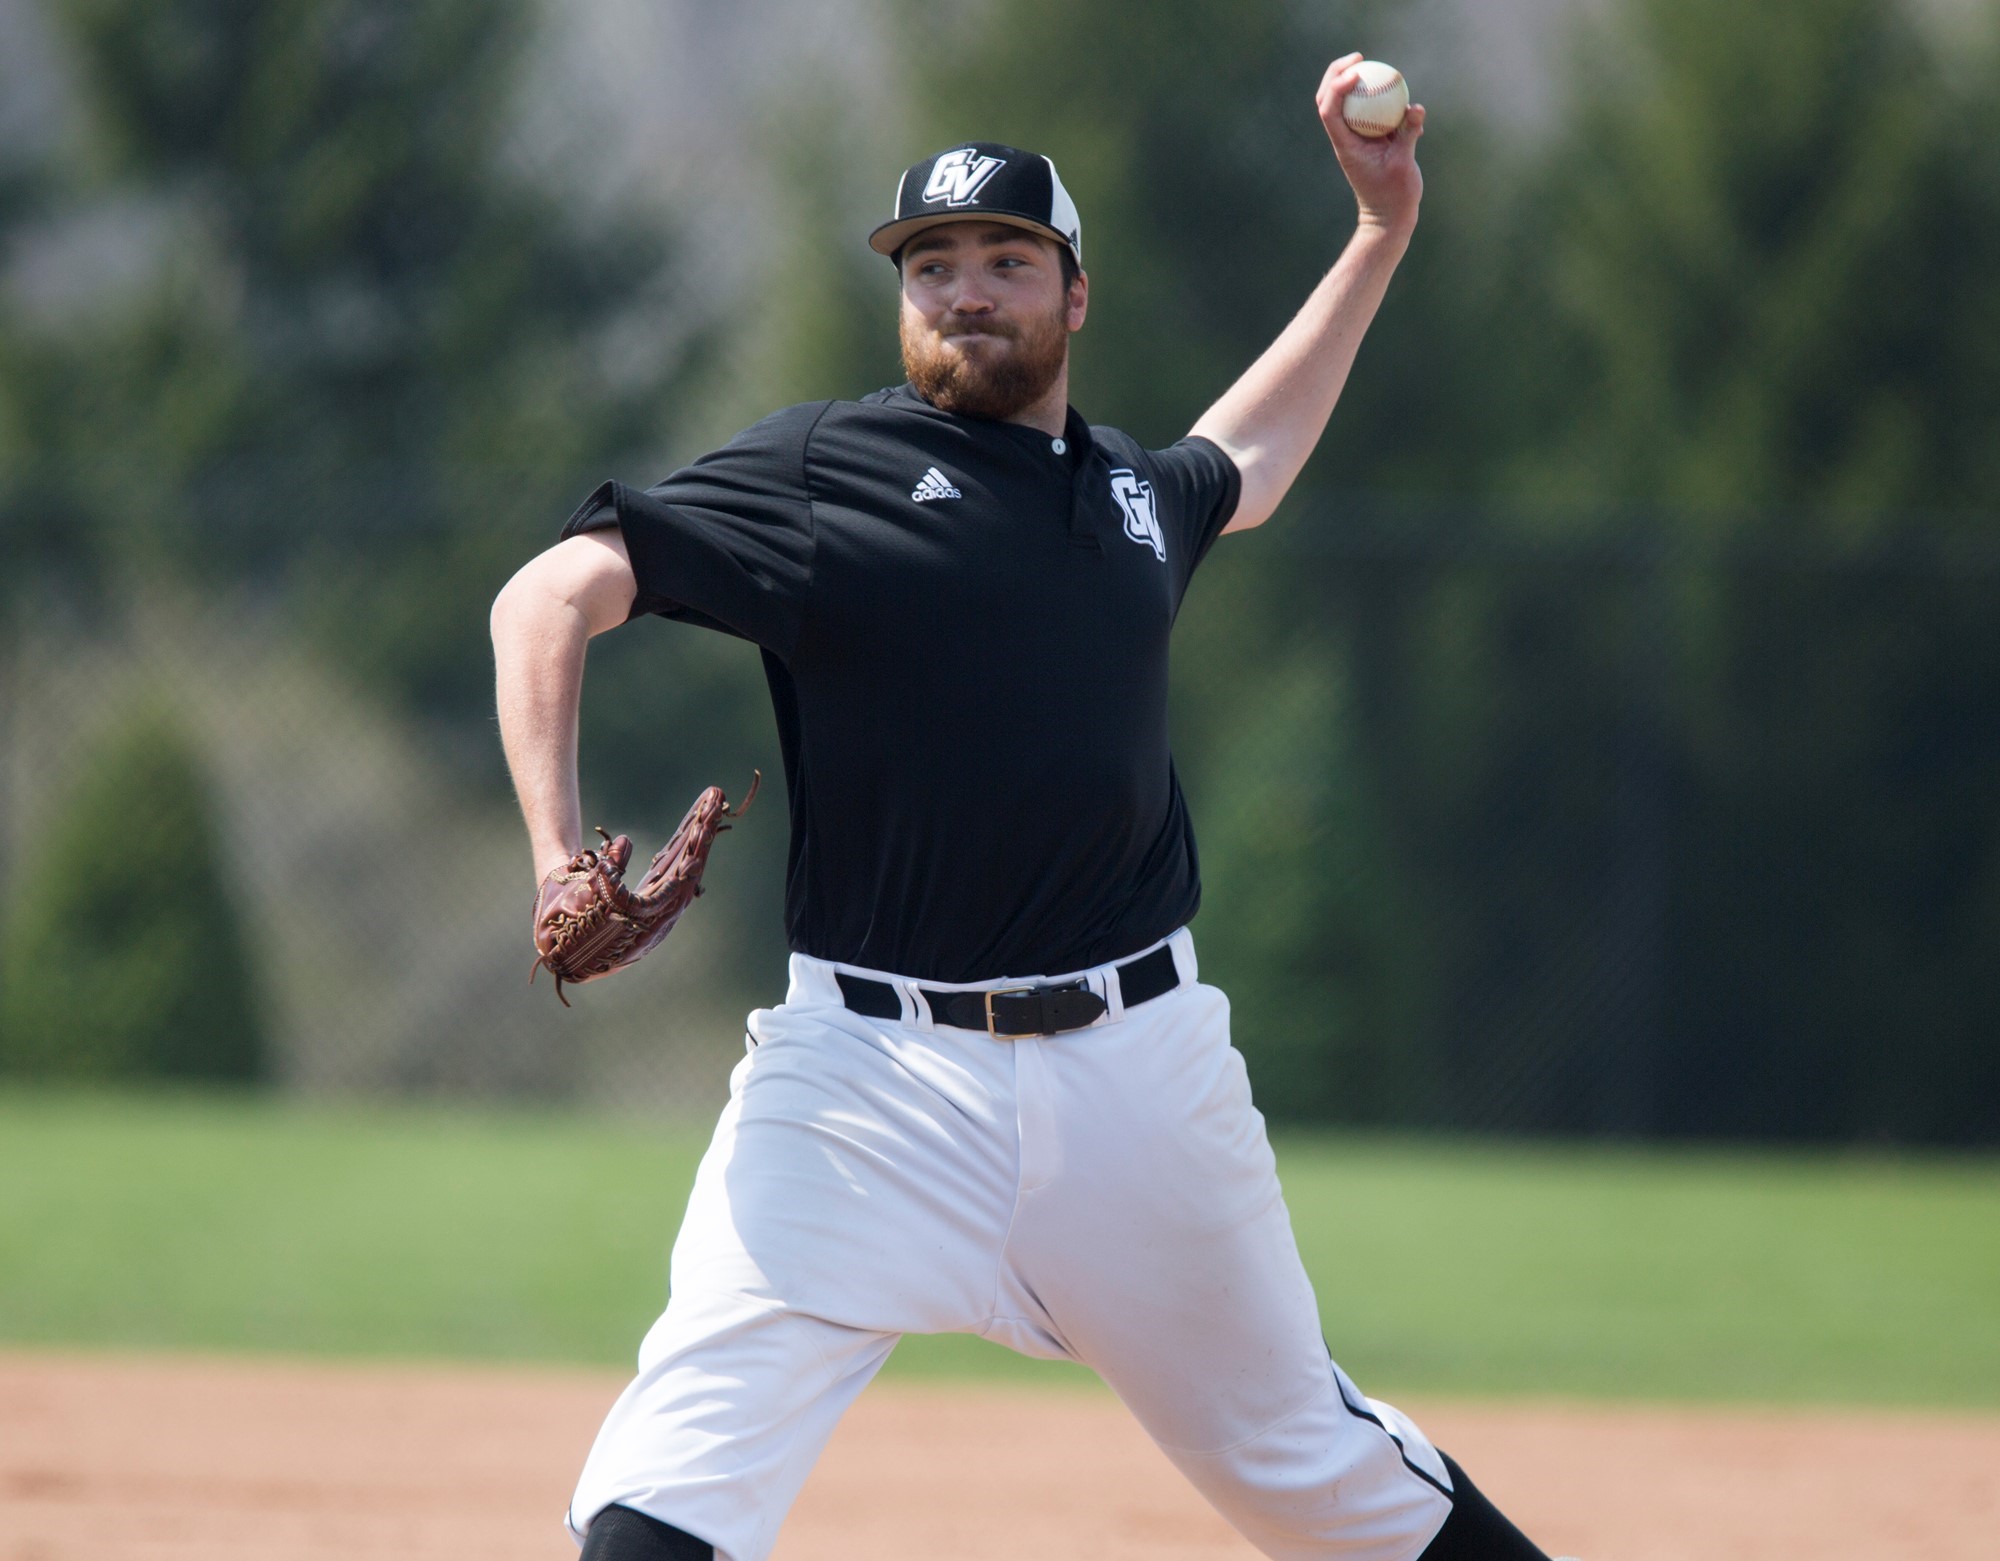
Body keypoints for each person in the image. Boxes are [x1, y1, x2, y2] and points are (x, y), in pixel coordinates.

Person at [492, 53, 1567, 1561]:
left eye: (1008, 259)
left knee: (1315, 1468)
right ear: (902, 299)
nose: (966, 290)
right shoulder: (827, 470)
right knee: (669, 1479)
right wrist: (556, 853)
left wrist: (1379, 233)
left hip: (1140, 1081)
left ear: (1075, 295)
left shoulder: (1131, 497)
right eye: (931, 264)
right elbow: (547, 595)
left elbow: (1247, 460)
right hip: (864, 1085)